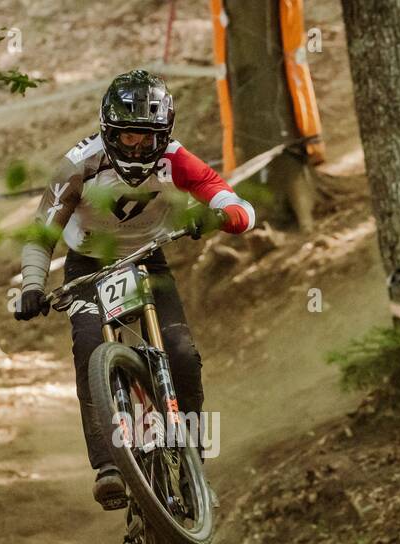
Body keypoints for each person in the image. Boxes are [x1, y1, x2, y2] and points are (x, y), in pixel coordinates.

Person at [14, 69, 255, 509]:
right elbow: (40, 233)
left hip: (148, 259)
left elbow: (229, 198)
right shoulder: (79, 165)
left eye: (148, 138)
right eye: (128, 138)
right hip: (88, 265)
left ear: (164, 136)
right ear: (109, 132)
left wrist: (225, 216)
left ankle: (194, 463)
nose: (139, 147)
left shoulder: (177, 160)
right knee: (89, 349)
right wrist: (33, 285)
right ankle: (108, 466)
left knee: (182, 354)